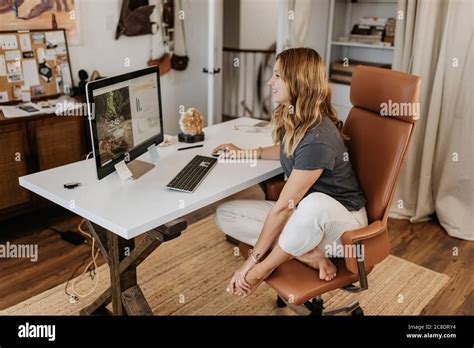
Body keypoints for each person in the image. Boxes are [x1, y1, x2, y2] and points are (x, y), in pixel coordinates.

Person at [213, 47, 368, 298]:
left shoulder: (318, 137)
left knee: (309, 206)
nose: (269, 82)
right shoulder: (297, 117)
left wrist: (251, 263)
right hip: (305, 218)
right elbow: (288, 150)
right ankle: (309, 255)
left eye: (277, 76)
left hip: (343, 226)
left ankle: (264, 269)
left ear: (298, 82)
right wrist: (245, 152)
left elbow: (284, 207)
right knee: (225, 214)